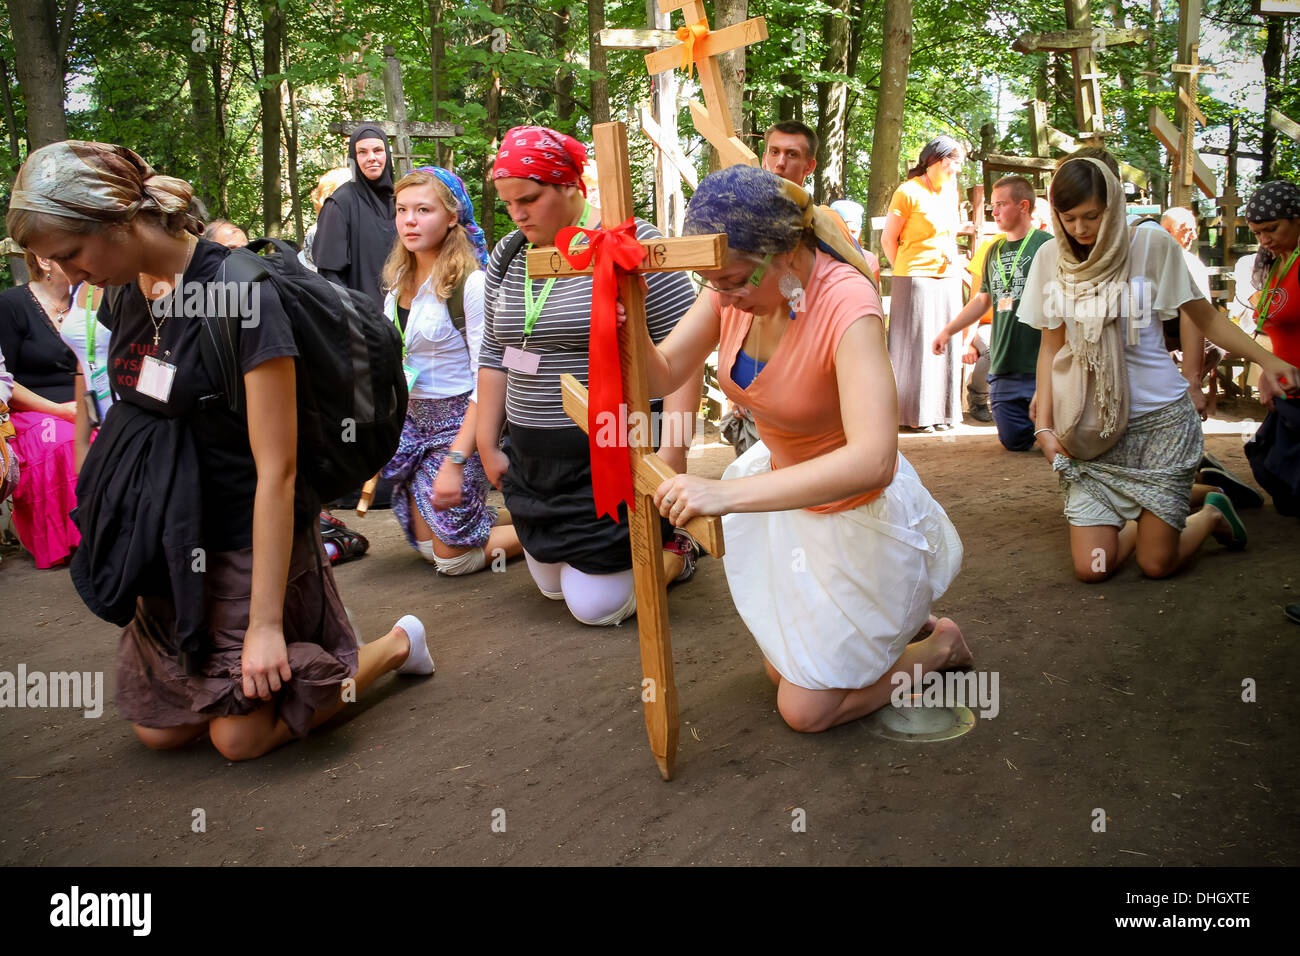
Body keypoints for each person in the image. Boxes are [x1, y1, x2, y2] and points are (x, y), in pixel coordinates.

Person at [7, 140, 433, 760]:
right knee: (159, 730)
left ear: (117, 218)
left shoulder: (242, 294)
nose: (70, 276)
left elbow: (278, 471)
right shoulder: (124, 291)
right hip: (170, 533)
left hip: (244, 536)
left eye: (71, 254)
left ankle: (396, 644)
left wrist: (263, 627)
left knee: (241, 737)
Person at [633, 165, 968, 733]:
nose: (726, 297)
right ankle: (885, 629)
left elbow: (872, 460)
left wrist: (724, 493)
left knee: (804, 708)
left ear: (786, 253)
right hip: (789, 504)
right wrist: (625, 313)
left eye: (736, 280)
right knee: (781, 669)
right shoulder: (732, 289)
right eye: (715, 284)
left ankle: (940, 648)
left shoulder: (846, 301)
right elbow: (663, 373)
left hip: (856, 513)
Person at [1019, 155, 1299, 583]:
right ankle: (1141, 519)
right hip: (1091, 429)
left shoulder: (1151, 245)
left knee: (1156, 564)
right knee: (1094, 568)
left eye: (1092, 216)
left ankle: (1208, 516)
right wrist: (1045, 426)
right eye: (1069, 217)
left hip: (1161, 423)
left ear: (1112, 205)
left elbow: (1205, 318)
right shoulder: (1048, 259)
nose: (1080, 229)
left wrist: (1268, 359)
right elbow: (1050, 347)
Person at [476, 125, 702, 627]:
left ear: (569, 185)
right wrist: (487, 441)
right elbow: (496, 351)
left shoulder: (633, 244)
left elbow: (686, 355)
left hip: (609, 458)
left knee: (595, 608)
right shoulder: (511, 254)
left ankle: (677, 551)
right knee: (553, 590)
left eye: (529, 199)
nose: (517, 215)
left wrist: (674, 451)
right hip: (533, 460)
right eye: (508, 203)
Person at [380, 166, 521, 573]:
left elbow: (488, 375)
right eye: (402, 209)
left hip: (461, 422)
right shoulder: (396, 282)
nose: (409, 220)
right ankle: (499, 520)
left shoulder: (471, 285)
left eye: (423, 209)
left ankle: (554, 528)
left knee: (453, 558)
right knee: (426, 547)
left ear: (452, 216)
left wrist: (457, 459)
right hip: (411, 425)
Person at [932, 175, 1049, 450]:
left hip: (1041, 367)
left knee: (1052, 438)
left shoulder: (1046, 244)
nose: (994, 212)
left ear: (1023, 206)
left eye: (1001, 204)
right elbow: (982, 299)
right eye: (993, 205)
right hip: (1004, 365)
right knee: (1014, 442)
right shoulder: (993, 249)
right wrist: (949, 331)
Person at [0, 251, 81, 567]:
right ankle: (70, 538)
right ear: (44, 261)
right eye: (71, 254)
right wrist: (60, 410)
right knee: (66, 440)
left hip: (84, 402)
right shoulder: (11, 305)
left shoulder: (89, 297)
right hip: (32, 411)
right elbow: (5, 381)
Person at [882, 136, 967, 432]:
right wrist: (906, 271)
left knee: (946, 344)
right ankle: (913, 416)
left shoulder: (951, 194)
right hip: (915, 277)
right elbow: (887, 240)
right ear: (938, 161)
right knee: (916, 346)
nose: (956, 169)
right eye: (954, 163)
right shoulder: (907, 191)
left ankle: (943, 413)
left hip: (948, 277)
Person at [311, 125, 397, 309]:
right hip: (366, 321)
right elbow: (330, 277)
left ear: (387, 155)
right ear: (354, 158)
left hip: (405, 315)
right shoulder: (339, 204)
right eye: (362, 152)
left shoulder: (400, 201)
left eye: (378, 150)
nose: (371, 157)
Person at [58, 280, 113, 470]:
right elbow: (83, 365)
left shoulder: (133, 280)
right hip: (102, 430)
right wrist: (81, 443)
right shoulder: (79, 285)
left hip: (135, 429)